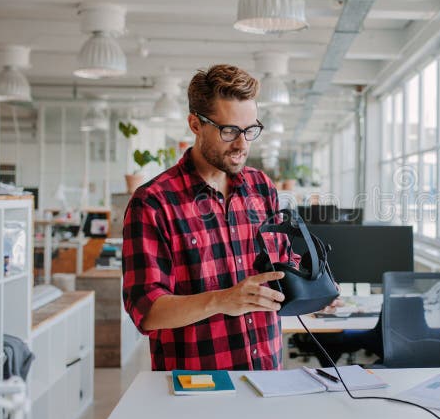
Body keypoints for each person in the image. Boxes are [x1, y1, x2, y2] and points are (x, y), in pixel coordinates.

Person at [122, 64, 339, 371]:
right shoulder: (153, 202)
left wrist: (313, 286)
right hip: (198, 383)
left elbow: (280, 264)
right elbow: (146, 311)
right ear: (195, 124)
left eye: (250, 130)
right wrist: (222, 300)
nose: (242, 144)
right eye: (229, 131)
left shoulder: (261, 187)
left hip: (266, 375)